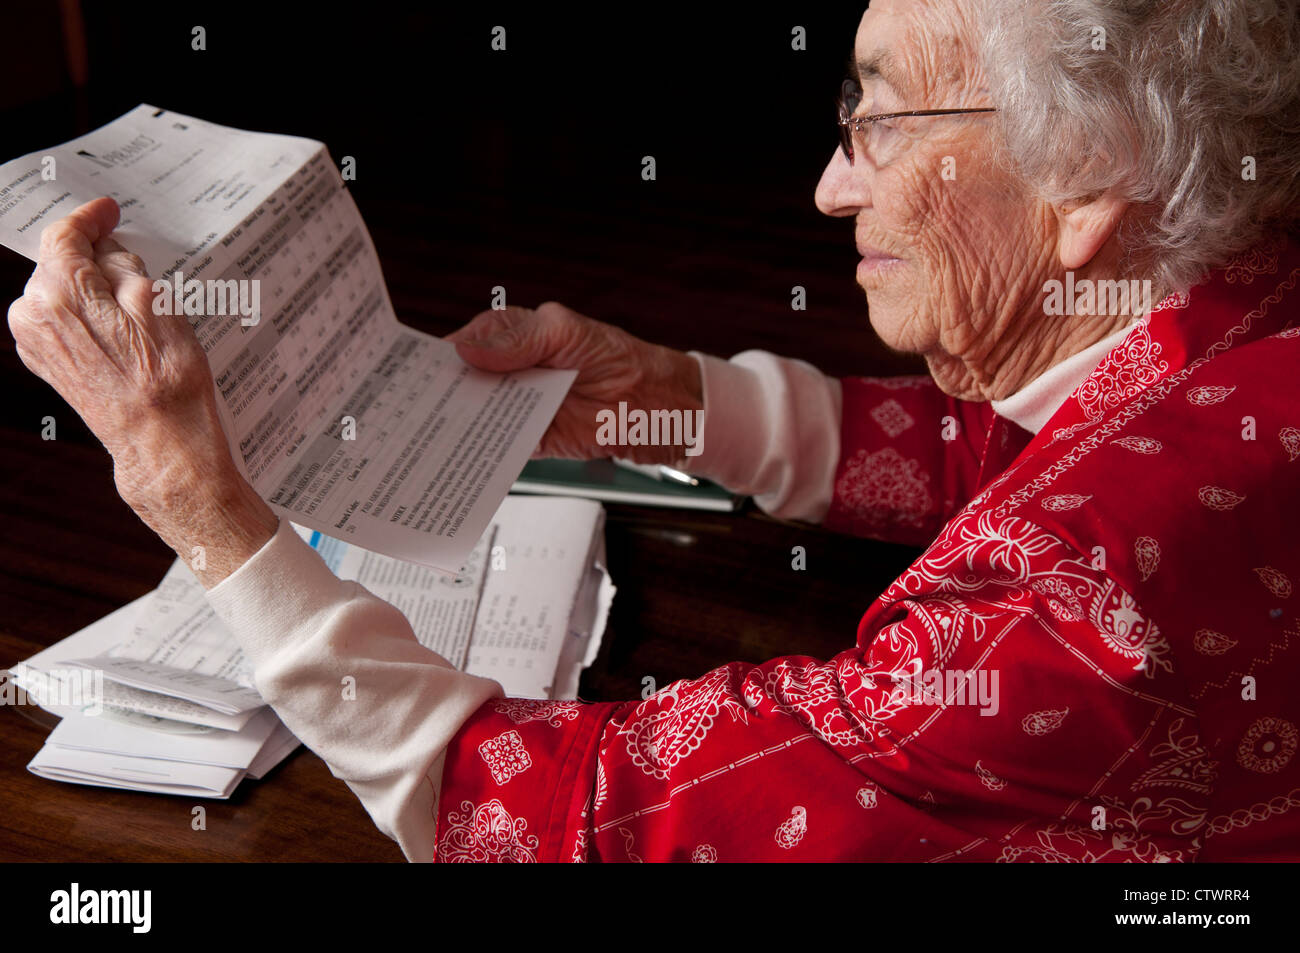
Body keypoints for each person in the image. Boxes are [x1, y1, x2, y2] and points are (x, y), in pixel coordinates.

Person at [9, 0, 1300, 862]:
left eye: (885, 121)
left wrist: (199, 497)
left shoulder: (1065, 600)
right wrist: (671, 394)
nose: (831, 183)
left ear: (1091, 179)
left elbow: (561, 819)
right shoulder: (1242, 290)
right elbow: (1004, 452)